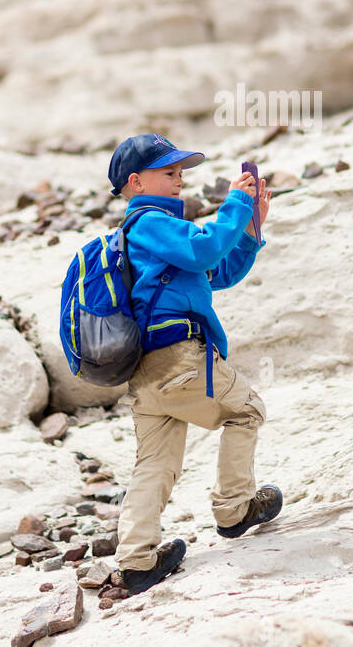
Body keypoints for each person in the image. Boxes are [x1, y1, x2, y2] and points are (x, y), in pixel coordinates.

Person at [107, 134, 282, 595]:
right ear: (135, 181)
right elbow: (204, 250)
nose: (179, 181)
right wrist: (235, 207)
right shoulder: (148, 221)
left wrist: (248, 233)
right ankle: (235, 508)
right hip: (179, 357)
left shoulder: (154, 236)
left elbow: (216, 272)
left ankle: (137, 560)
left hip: (146, 375)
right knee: (246, 410)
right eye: (169, 173)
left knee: (155, 463)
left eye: (181, 174)